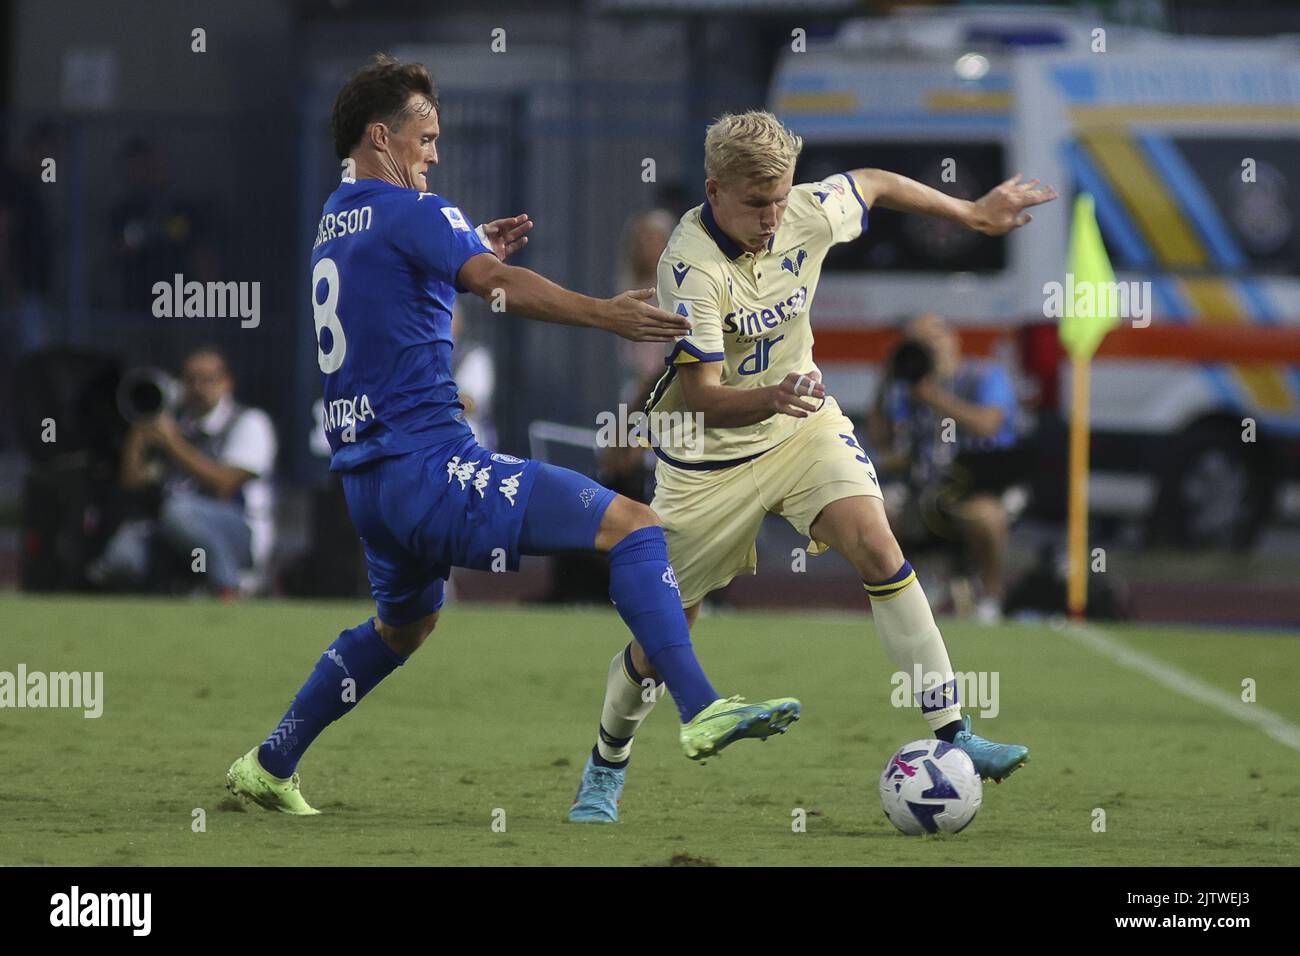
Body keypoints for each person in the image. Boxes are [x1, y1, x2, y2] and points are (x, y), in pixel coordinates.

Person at [225, 55, 800, 816]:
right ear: (380, 135)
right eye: (424, 136)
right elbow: (494, 287)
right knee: (634, 528)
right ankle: (701, 708)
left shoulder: (337, 220)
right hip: (431, 469)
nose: (435, 151)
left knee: (405, 626)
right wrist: (605, 311)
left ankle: (270, 764)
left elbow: (402, 285)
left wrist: (463, 247)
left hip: (368, 484)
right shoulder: (419, 214)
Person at [568, 110, 1054, 822]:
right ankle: (606, 765)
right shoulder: (688, 267)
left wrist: (972, 213)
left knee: (876, 540)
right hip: (708, 459)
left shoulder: (806, 210)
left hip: (801, 427)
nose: (773, 217)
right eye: (755, 203)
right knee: (662, 637)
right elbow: (701, 399)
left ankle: (956, 731)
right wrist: (775, 395)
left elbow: (877, 183)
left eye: (781, 198)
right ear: (714, 189)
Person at [868, 313, 1024, 623]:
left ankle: (991, 596)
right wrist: (885, 382)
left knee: (985, 517)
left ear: (953, 340)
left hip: (977, 484)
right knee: (873, 512)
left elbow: (988, 425)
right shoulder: (907, 388)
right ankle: (915, 582)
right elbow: (882, 441)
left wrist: (933, 397)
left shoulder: (982, 376)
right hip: (924, 487)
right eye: (917, 343)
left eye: (933, 339)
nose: (927, 348)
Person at [89, 346, 276, 597]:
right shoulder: (173, 421)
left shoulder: (249, 422)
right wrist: (139, 434)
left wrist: (174, 444)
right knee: (123, 556)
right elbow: (131, 484)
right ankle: (180, 589)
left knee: (178, 511)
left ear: (227, 383)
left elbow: (225, 484)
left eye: (209, 379)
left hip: (238, 531)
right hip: (175, 533)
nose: (199, 387)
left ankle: (229, 587)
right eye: (191, 379)